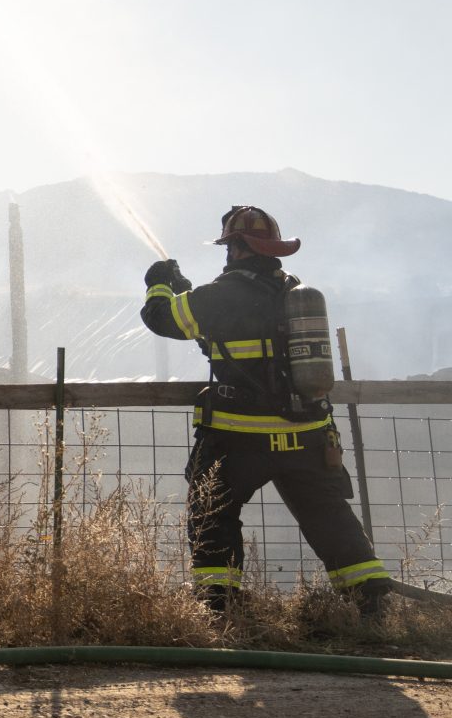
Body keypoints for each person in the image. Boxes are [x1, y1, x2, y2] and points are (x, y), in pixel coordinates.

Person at [141, 205, 391, 616]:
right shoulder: (293, 291)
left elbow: (164, 319)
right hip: (307, 435)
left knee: (213, 514)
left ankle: (219, 607)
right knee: (328, 515)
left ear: (237, 248)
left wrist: (159, 284)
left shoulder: (222, 295)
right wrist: (186, 287)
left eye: (228, 246)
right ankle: (370, 602)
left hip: (238, 439)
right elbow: (215, 328)